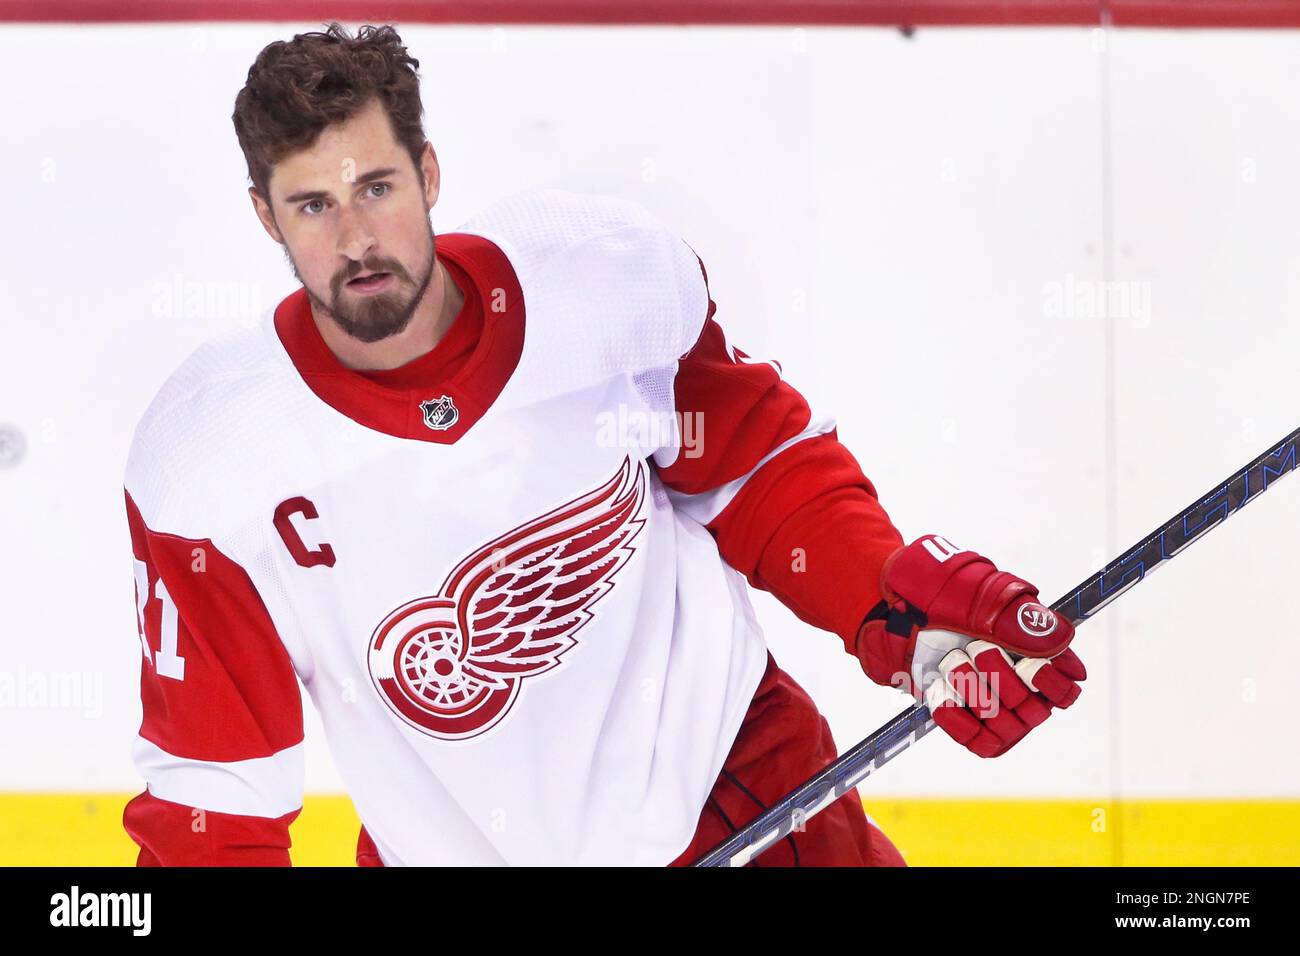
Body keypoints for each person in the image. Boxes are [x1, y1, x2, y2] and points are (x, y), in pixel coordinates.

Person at [122, 22, 1086, 867]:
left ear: (428, 171)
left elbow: (758, 472)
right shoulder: (216, 466)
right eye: (313, 206)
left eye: (375, 186)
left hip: (748, 801)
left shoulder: (599, 287)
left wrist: (895, 607)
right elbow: (217, 791)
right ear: (265, 216)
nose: (356, 238)